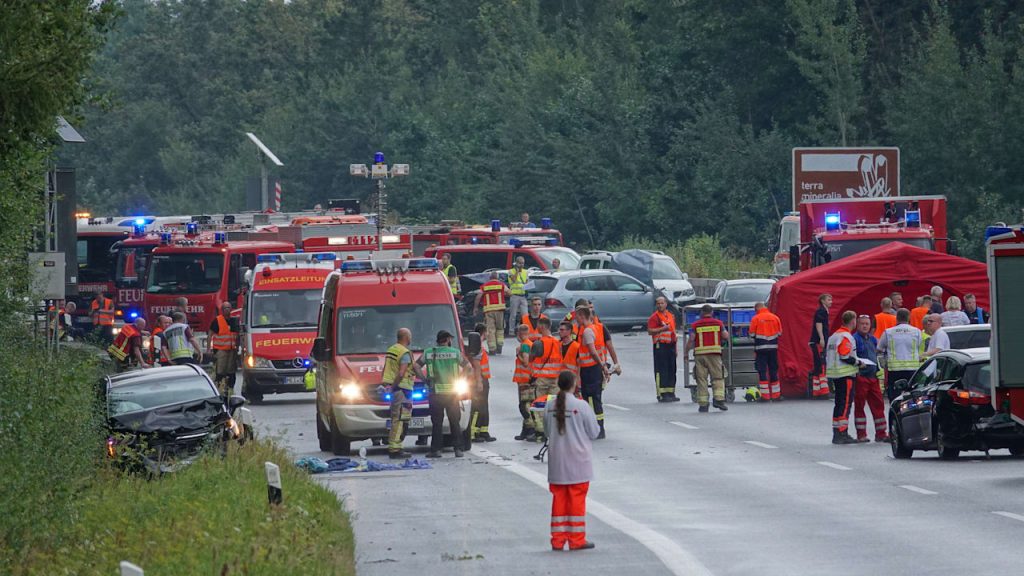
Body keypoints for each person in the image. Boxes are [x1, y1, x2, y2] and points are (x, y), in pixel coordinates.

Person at [545, 370, 599, 552]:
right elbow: (594, 432)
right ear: (574, 384)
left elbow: (546, 431)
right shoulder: (581, 406)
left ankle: (558, 540)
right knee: (576, 501)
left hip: (557, 462)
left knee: (559, 501)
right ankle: (576, 539)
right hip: (578, 462)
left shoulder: (550, 406)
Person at [417, 330, 469, 458]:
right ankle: (458, 449)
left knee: (437, 423)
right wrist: (461, 378)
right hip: (452, 394)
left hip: (435, 393)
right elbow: (468, 367)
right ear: (447, 340)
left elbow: (416, 366)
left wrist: (424, 379)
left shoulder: (429, 353)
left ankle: (436, 450)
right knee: (454, 422)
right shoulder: (455, 353)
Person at [383, 328, 419, 459]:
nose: (411, 339)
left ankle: (396, 445)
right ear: (406, 337)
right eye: (410, 336)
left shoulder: (392, 349)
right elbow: (401, 373)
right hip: (402, 389)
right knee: (400, 419)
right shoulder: (404, 353)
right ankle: (395, 448)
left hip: (396, 390)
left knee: (397, 418)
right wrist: (393, 387)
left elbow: (413, 368)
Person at [826, 310, 860, 444]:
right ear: (853, 321)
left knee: (838, 404)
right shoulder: (846, 336)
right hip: (846, 375)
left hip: (835, 374)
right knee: (845, 404)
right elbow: (845, 355)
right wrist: (859, 362)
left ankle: (837, 431)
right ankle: (842, 433)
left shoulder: (834, 336)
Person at [575, 307, 610, 437]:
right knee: (594, 399)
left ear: (582, 316)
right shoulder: (594, 328)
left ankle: (597, 429)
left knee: (592, 400)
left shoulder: (587, 331)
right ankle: (598, 428)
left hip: (590, 369)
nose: (576, 319)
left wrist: (602, 366)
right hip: (592, 369)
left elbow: (592, 351)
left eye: (577, 317)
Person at [688, 304, 729, 412]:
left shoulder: (695, 324)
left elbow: (692, 339)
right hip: (714, 354)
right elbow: (725, 336)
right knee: (717, 377)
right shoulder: (718, 323)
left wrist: (686, 352)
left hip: (700, 355)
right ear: (712, 313)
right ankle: (718, 400)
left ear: (701, 313)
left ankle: (703, 404)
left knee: (701, 379)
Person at [852, 315, 887, 443]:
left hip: (873, 377)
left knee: (878, 405)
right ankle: (861, 434)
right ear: (857, 325)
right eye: (862, 324)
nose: (865, 326)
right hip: (861, 377)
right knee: (860, 405)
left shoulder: (873, 339)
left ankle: (881, 433)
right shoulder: (854, 339)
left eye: (867, 324)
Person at [877, 308, 923, 401]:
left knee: (894, 396)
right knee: (912, 395)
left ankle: (895, 413)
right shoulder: (917, 331)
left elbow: (879, 348)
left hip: (894, 370)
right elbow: (918, 345)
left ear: (896, 318)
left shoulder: (888, 332)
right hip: (912, 369)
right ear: (908, 318)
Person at [529, 317, 562, 441]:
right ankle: (554, 431)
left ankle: (541, 433)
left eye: (538, 326)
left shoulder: (538, 343)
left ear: (542, 327)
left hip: (542, 379)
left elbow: (530, 360)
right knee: (554, 407)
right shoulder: (557, 342)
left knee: (540, 407)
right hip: (555, 379)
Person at [647, 296, 679, 402]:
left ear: (666, 304)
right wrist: (662, 328)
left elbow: (673, 332)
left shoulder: (670, 316)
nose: (660, 305)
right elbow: (650, 331)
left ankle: (671, 392)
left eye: (662, 303)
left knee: (672, 369)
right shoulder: (654, 317)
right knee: (662, 369)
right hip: (660, 345)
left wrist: (676, 348)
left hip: (670, 345)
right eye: (658, 303)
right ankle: (662, 393)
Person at [750, 302, 783, 401]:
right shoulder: (775, 317)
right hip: (773, 348)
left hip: (761, 349)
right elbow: (780, 333)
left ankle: (765, 396)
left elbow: (751, 334)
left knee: (762, 371)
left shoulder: (756, 318)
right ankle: (776, 395)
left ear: (757, 309)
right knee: (773, 370)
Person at [469, 322, 496, 443]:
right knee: (478, 407)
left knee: (483, 406)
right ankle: (473, 432)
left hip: (482, 379)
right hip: (479, 379)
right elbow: (476, 363)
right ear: (484, 333)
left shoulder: (477, 345)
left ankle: (483, 431)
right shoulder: (477, 346)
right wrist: (479, 381)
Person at [513, 324, 538, 441]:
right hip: (527, 378)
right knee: (526, 404)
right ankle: (525, 430)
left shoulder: (525, 346)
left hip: (524, 379)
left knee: (524, 405)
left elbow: (526, 362)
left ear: (520, 334)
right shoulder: (529, 344)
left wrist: (518, 354)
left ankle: (531, 429)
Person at [208, 302, 239, 395]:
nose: (227, 309)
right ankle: (219, 389)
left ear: (231, 309)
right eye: (225, 308)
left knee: (231, 371)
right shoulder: (217, 320)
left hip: (232, 350)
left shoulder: (234, 321)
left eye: (229, 307)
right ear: (222, 310)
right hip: (221, 350)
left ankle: (230, 389)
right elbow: (210, 334)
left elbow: (237, 335)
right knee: (220, 371)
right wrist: (208, 348)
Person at [474, 271, 509, 354]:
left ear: (490, 278)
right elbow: (509, 292)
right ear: (497, 277)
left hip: (489, 310)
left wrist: (475, 307)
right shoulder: (501, 285)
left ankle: (492, 349)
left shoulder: (485, 286)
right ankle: (499, 346)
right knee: (500, 329)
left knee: (490, 330)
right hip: (500, 310)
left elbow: (479, 296)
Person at [808, 294, 832, 398]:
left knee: (818, 365)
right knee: (822, 364)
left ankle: (817, 390)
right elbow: (819, 324)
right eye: (829, 299)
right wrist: (821, 338)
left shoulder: (825, 311)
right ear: (822, 301)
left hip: (819, 340)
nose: (831, 301)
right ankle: (824, 390)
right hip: (818, 342)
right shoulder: (821, 311)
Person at [506, 256, 530, 335]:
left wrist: (528, 286)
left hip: (523, 296)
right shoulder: (511, 271)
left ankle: (525, 331)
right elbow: (513, 280)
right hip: (514, 295)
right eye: (519, 263)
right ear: (516, 263)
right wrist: (517, 271)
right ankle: (511, 331)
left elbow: (526, 282)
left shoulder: (525, 272)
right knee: (513, 314)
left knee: (525, 315)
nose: (521, 265)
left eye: (522, 263)